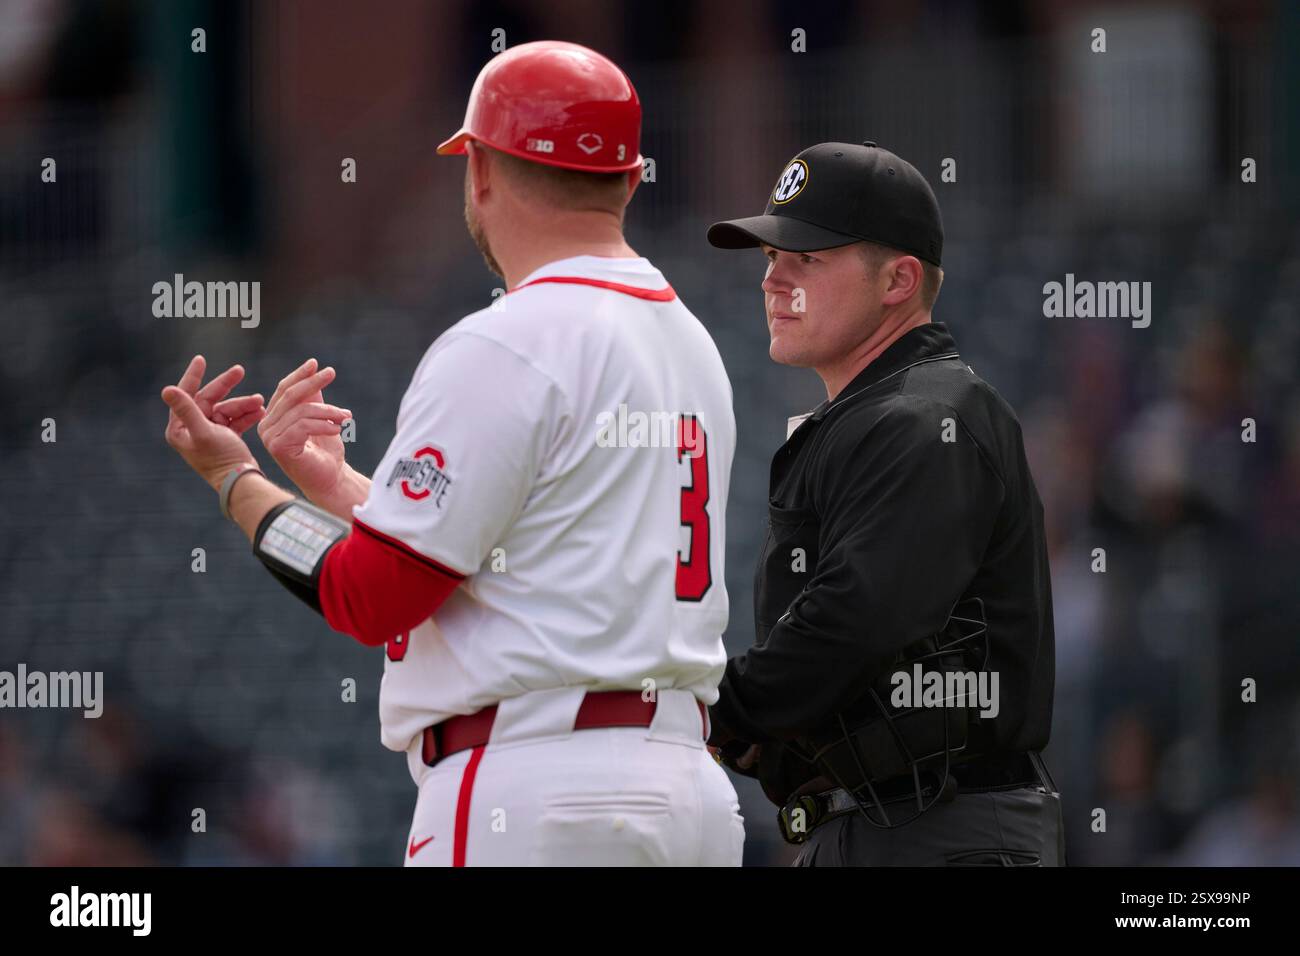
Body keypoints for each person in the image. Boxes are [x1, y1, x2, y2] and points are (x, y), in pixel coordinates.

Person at [159, 40, 743, 867]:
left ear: (481, 173)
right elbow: (519, 562)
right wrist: (337, 486)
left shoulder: (507, 340)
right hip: (686, 798)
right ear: (631, 179)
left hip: (534, 794)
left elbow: (371, 595)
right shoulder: (691, 342)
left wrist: (235, 480)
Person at [705, 141, 1063, 866]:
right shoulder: (878, 414)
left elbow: (855, 618)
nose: (774, 279)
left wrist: (713, 704)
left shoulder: (932, 416)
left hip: (944, 830)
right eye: (770, 257)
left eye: (806, 258)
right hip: (878, 825)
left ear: (898, 280)